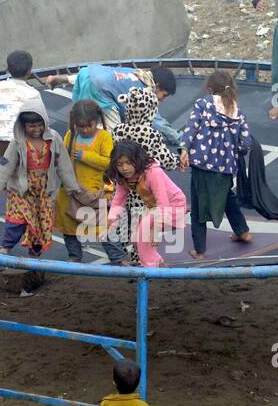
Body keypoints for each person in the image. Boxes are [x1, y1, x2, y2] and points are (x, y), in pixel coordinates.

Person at [0, 100, 87, 257]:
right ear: (23, 126)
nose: (37, 129)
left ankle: (35, 253)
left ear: (45, 122)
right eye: (32, 126)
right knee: (16, 220)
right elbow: (5, 166)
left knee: (41, 223)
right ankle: (6, 246)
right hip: (21, 190)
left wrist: (72, 187)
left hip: (43, 191)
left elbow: (64, 164)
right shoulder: (18, 142)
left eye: (40, 125)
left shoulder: (53, 139)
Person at [181, 71, 253, 259]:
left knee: (198, 205)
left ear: (210, 88)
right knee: (228, 197)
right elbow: (245, 143)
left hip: (202, 166)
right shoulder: (238, 112)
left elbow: (191, 128)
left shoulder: (203, 105)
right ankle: (242, 231)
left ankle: (200, 250)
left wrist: (184, 149)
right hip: (226, 167)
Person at [45, 64, 183, 148]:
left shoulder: (134, 72)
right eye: (163, 95)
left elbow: (101, 76)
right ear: (157, 86)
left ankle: (61, 79)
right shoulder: (145, 91)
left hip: (89, 73)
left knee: (88, 79)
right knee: (116, 132)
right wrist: (177, 138)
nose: (162, 100)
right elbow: (155, 120)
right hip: (101, 91)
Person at [55, 100, 124, 263]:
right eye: (81, 126)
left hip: (94, 192)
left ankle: (118, 258)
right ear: (75, 124)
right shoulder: (70, 136)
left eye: (89, 126)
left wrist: (85, 156)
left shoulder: (104, 137)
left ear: (97, 121)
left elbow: (109, 162)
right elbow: (63, 159)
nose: (85, 130)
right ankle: (74, 256)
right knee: (69, 227)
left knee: (104, 227)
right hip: (71, 191)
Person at [105, 139, 188, 268]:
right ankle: (157, 262)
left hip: (174, 206)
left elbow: (163, 201)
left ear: (137, 160)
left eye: (128, 163)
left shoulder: (152, 172)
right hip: (156, 209)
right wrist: (111, 222)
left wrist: (156, 228)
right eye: (119, 164)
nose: (124, 168)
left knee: (143, 230)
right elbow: (118, 200)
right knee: (136, 237)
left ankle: (149, 268)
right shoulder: (124, 177)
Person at [0, 50, 43, 160]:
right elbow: (42, 119)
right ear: (29, 70)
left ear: (8, 68)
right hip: (22, 139)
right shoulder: (34, 93)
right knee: (23, 168)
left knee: (5, 168)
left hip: (1, 139)